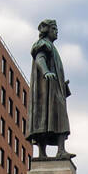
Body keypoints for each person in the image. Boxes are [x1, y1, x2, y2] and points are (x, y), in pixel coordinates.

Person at [28, 19, 71, 156]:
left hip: (55, 88)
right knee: (44, 119)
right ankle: (43, 153)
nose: (57, 31)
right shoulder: (43, 44)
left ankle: (60, 151)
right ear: (47, 30)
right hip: (46, 92)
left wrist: (62, 85)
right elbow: (40, 58)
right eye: (54, 28)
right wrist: (46, 72)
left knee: (58, 118)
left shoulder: (52, 48)